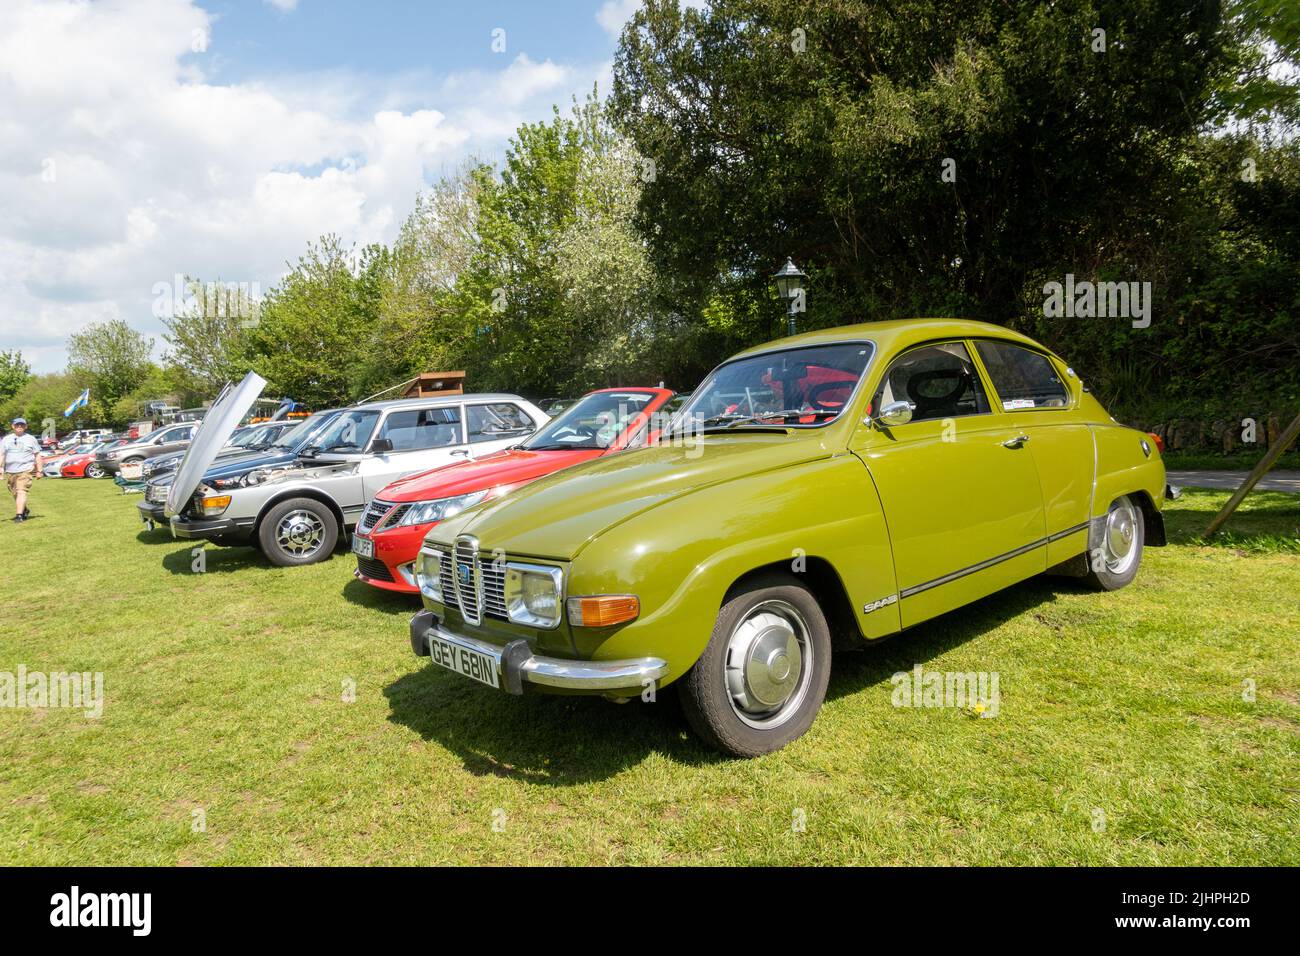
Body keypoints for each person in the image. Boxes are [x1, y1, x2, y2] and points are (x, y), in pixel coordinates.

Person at [1, 417, 44, 523]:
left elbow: (37, 455)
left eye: (22, 425)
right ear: (13, 426)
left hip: (25, 470)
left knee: (21, 491)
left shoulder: (31, 439)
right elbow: (2, 454)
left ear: (25, 426)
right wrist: (0, 468)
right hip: (11, 471)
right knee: (15, 493)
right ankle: (24, 509)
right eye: (17, 425)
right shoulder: (6, 439)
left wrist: (39, 470)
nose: (19, 427)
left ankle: (19, 515)